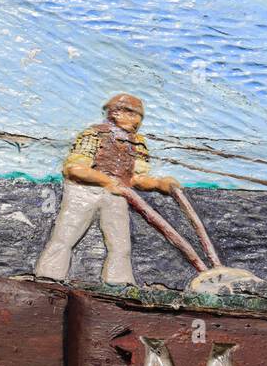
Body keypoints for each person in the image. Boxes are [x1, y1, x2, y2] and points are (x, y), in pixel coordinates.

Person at [33, 93, 179, 285]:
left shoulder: (138, 143)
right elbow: (75, 169)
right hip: (83, 192)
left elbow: (137, 178)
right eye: (133, 115)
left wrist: (160, 184)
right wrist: (107, 181)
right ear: (116, 113)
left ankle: (119, 284)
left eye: (139, 117)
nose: (137, 122)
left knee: (120, 244)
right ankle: (48, 278)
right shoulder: (93, 134)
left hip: (117, 193)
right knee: (66, 236)